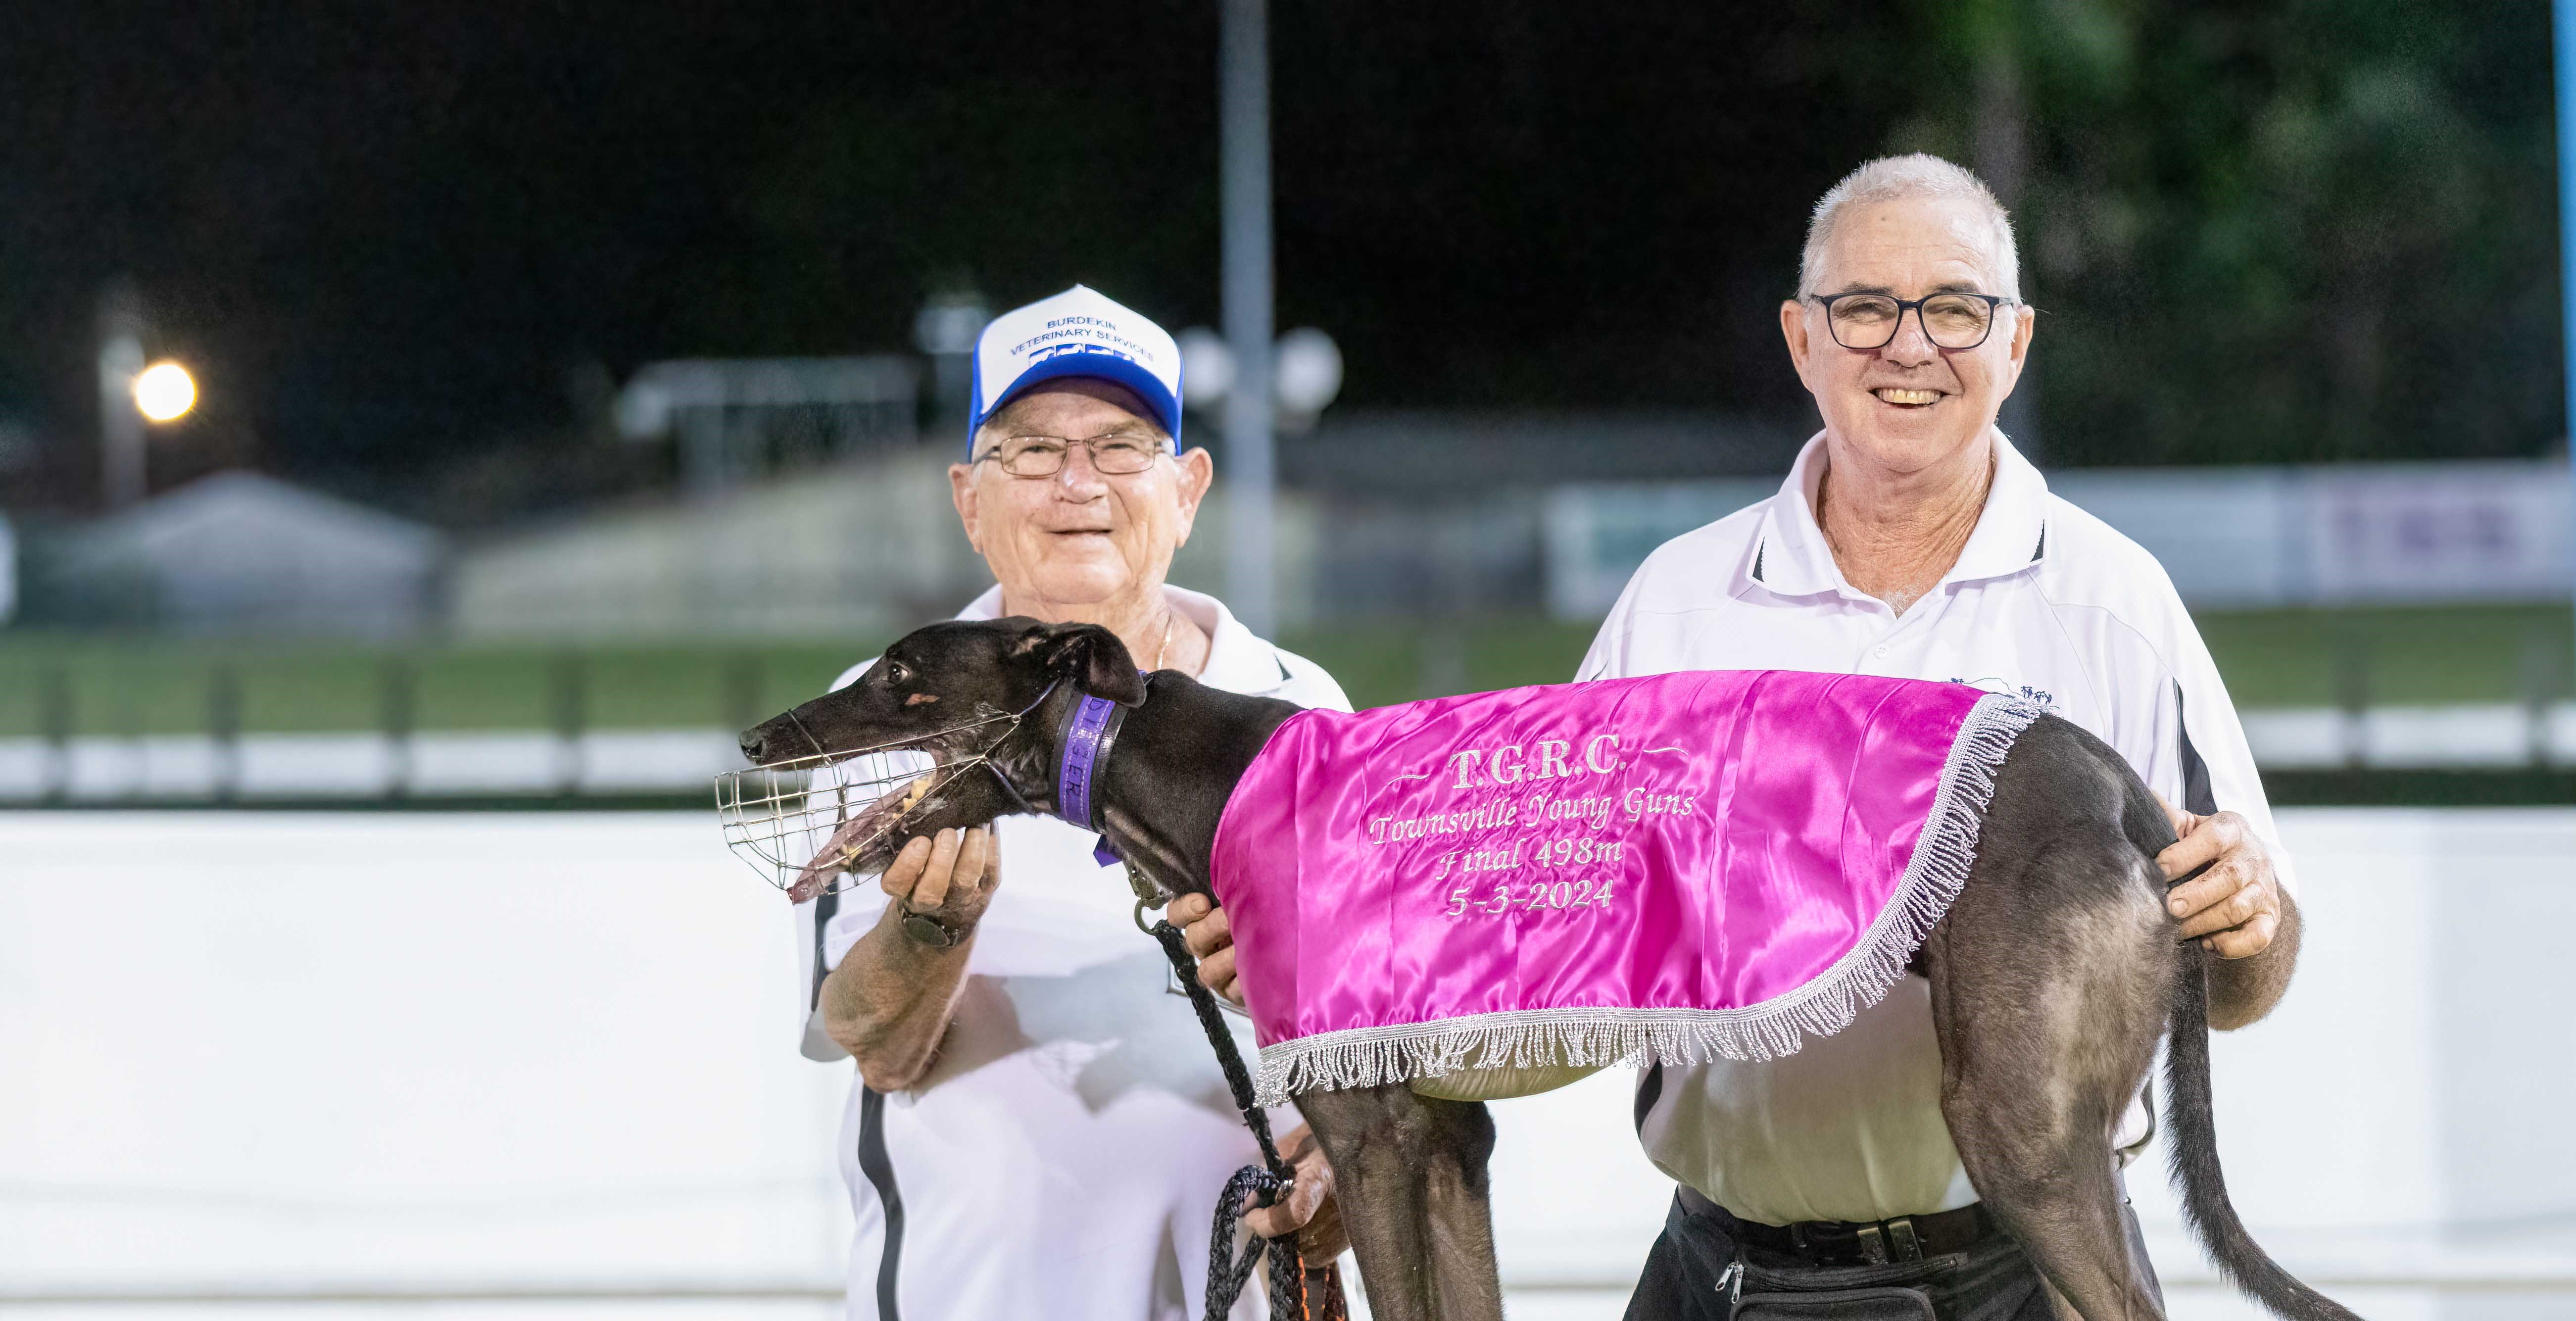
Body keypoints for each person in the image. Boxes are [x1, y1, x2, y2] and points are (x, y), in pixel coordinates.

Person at [1171, 155, 2304, 1319]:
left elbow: (2239, 986)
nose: (1908, 346)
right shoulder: (1679, 603)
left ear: (2014, 343)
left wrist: (2246, 922)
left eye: (1955, 309)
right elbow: (1539, 920)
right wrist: (1309, 944)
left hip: (2021, 1279)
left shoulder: (2114, 604)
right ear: (1801, 340)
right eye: (1863, 308)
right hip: (1720, 1277)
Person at [791, 285, 1352, 1321]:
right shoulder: (884, 714)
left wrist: (1337, 1176)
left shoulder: (1300, 710)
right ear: (970, 500)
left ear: (1188, 491)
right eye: (1034, 451)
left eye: (1122, 446)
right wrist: (928, 928)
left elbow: (1374, 1039)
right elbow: (874, 1044)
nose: (1078, 482)